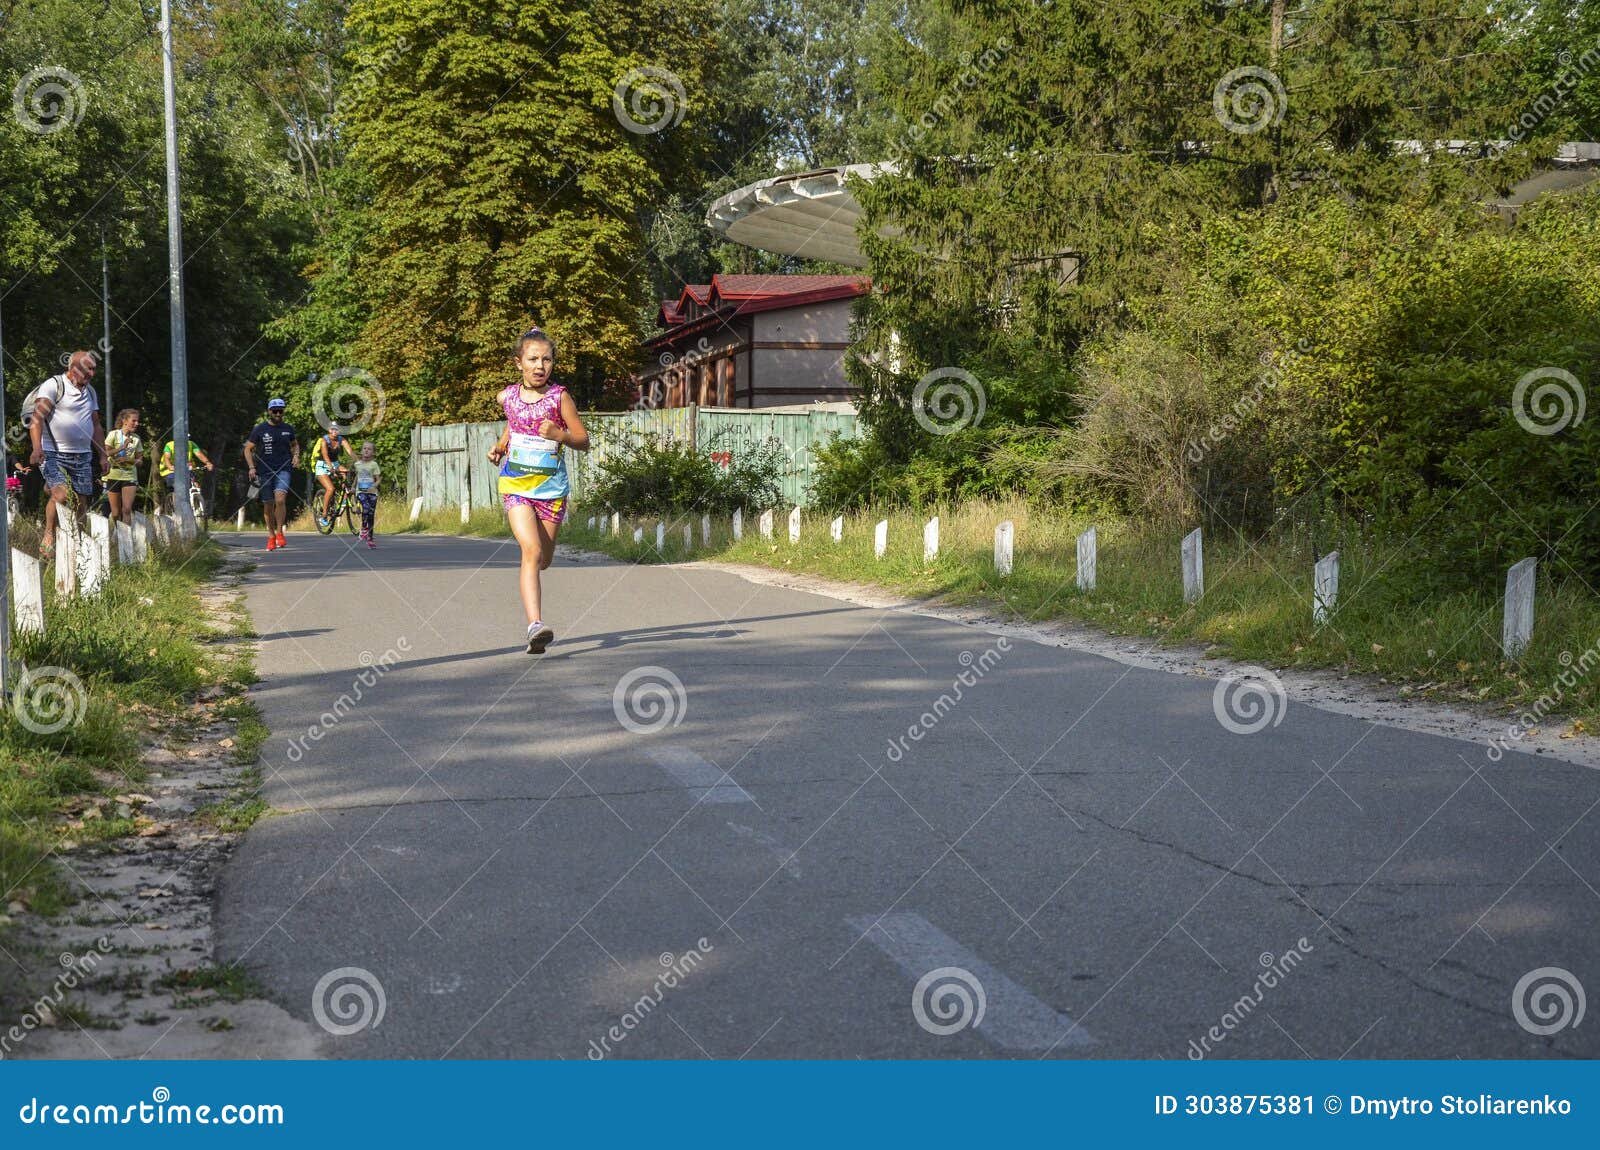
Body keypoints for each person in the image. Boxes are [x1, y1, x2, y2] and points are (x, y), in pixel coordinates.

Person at [487, 328, 589, 653]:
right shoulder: (507, 397)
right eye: (532, 359)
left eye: (546, 359)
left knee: (543, 559)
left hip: (551, 489)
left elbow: (583, 441)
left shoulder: (560, 397)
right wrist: (501, 446)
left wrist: (560, 434)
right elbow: (512, 424)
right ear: (519, 363)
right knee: (529, 552)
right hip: (516, 485)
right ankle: (535, 625)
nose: (539, 365)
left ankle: (536, 626)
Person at [27, 351, 105, 562]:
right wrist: (36, 448)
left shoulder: (90, 392)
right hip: (53, 453)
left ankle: (78, 545)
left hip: (82, 455)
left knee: (81, 502)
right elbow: (37, 419)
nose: (92, 373)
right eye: (88, 368)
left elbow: (96, 424)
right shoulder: (54, 385)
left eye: (94, 369)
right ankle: (49, 534)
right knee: (61, 495)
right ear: (74, 368)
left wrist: (103, 455)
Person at [244, 398, 300, 551]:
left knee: (280, 500)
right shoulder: (260, 429)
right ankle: (271, 536)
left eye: (280, 410)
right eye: (274, 410)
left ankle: (280, 532)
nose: (278, 413)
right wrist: (251, 467)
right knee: (268, 504)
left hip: (284, 469)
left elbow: (295, 445)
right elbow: (247, 448)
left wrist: (296, 456)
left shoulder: (288, 428)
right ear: (269, 411)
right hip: (265, 470)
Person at [102, 408, 144, 523]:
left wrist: (129, 459)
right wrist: (122, 448)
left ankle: (125, 538)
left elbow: (140, 462)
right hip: (113, 475)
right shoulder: (113, 434)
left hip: (129, 475)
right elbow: (106, 453)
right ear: (125, 421)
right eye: (133, 421)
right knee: (115, 513)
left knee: (126, 509)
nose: (136, 424)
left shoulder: (136, 438)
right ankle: (117, 533)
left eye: (137, 421)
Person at [311, 421, 352, 524]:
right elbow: (325, 455)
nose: (334, 431)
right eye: (332, 429)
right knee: (330, 489)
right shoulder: (324, 440)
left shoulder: (341, 439)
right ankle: (324, 516)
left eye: (336, 429)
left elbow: (351, 452)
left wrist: (360, 463)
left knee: (347, 476)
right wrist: (331, 467)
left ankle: (343, 501)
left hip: (335, 464)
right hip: (322, 465)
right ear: (329, 430)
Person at [159, 435, 213, 512]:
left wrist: (207, 463)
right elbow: (167, 458)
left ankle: (197, 506)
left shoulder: (191, 444)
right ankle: (176, 510)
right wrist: (170, 466)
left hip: (185, 469)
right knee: (178, 487)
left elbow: (199, 454)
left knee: (195, 485)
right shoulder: (169, 445)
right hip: (169, 471)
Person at [353, 441, 381, 548]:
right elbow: (357, 476)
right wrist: (352, 487)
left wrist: (374, 486)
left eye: (369, 449)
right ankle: (364, 528)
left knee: (371, 514)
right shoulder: (357, 464)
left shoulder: (374, 465)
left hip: (372, 492)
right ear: (361, 451)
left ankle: (370, 538)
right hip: (361, 491)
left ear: (373, 453)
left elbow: (378, 479)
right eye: (364, 448)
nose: (366, 450)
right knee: (365, 507)